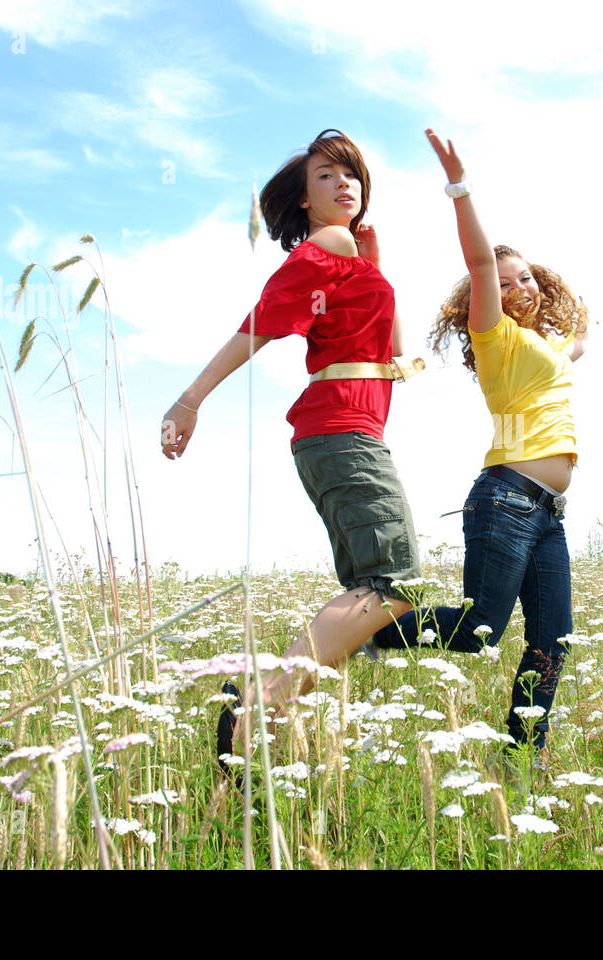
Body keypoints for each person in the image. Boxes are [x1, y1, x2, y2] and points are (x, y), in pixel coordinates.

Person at [160, 129, 422, 762]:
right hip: (342, 431)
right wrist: (191, 397)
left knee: (373, 585)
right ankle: (261, 698)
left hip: (344, 432)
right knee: (393, 583)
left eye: (351, 174)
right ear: (305, 201)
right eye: (326, 177)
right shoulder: (327, 245)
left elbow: (395, 355)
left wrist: (376, 271)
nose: (344, 184)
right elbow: (262, 323)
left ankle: (262, 729)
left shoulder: (349, 255)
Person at [366, 129, 589, 762]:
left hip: (548, 513)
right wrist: (459, 185)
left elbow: (570, 351)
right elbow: (482, 263)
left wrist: (584, 326)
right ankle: (362, 636)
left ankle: (524, 760)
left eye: (528, 280)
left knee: (554, 639)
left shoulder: (542, 351)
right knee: (480, 630)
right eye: (508, 280)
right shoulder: (494, 337)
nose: (519, 287)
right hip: (507, 501)